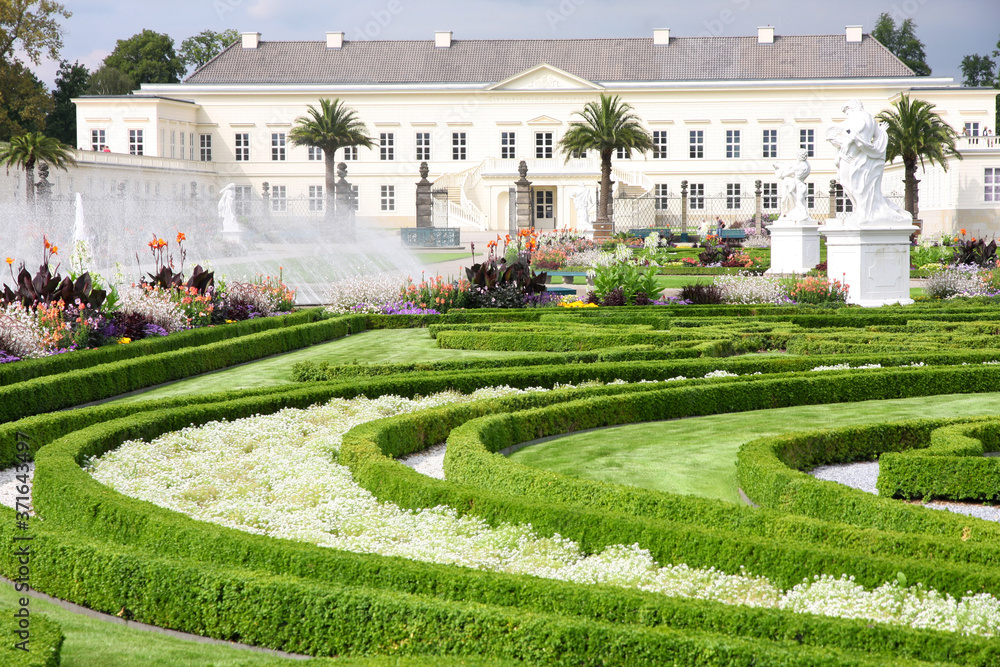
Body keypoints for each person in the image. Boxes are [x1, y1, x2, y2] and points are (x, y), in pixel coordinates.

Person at [825, 100, 910, 225]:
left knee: (851, 183)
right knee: (858, 185)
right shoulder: (870, 119)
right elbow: (878, 136)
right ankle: (860, 210)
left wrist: (835, 132)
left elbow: (855, 130)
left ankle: (861, 211)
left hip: (850, 155)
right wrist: (882, 131)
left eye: (847, 112)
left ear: (852, 108)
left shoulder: (858, 117)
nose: (847, 115)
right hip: (862, 155)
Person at [773, 149, 812, 224]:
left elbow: (785, 174)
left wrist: (780, 171)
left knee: (799, 201)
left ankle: (804, 215)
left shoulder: (798, 167)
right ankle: (800, 214)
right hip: (801, 184)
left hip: (798, 185)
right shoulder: (807, 164)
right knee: (800, 201)